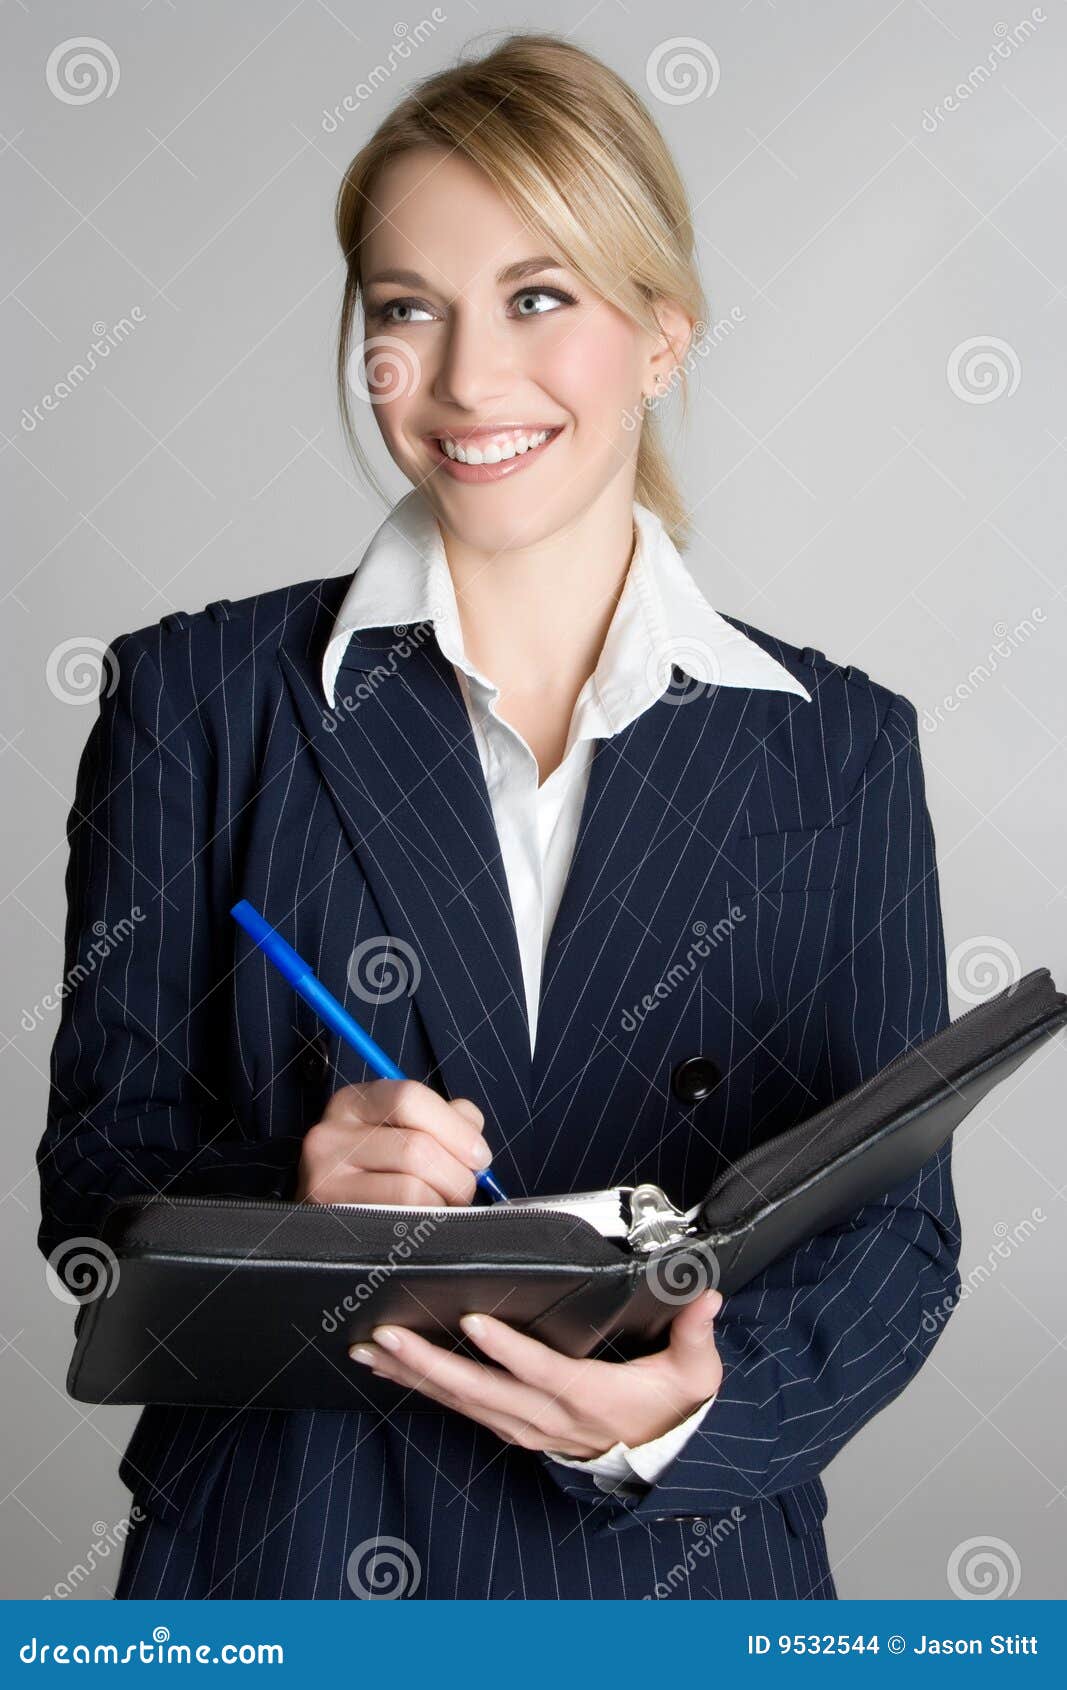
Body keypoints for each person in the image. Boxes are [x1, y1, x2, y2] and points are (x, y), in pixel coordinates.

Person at [38, 31, 961, 1600]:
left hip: (684, 1580)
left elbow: (898, 1244)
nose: (465, 380)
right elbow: (92, 1193)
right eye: (409, 309)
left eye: (539, 299)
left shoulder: (842, 752)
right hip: (294, 1567)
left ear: (662, 332)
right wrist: (292, 1184)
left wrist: (688, 1411)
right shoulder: (196, 699)